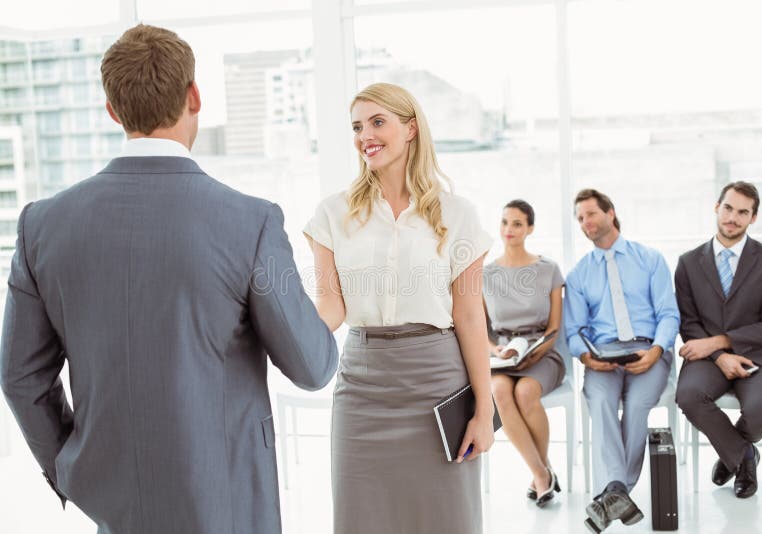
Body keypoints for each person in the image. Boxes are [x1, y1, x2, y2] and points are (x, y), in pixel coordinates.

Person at [0, 25, 338, 534]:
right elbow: (311, 366)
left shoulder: (41, 225)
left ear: (113, 110)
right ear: (194, 96)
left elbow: (20, 376)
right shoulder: (251, 223)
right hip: (226, 505)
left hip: (114, 507)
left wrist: (73, 468)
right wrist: (333, 302)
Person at [303, 82, 494, 534]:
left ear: (411, 129)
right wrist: (285, 330)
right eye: (357, 127)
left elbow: (469, 317)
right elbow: (331, 305)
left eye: (377, 122)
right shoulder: (332, 214)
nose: (364, 136)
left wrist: (484, 412)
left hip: (437, 385)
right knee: (362, 519)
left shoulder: (457, 214)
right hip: (363, 390)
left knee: (447, 520)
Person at [564, 189, 679, 532]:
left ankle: (613, 491)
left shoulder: (650, 259)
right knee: (599, 400)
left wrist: (656, 351)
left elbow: (669, 314)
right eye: (580, 218)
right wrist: (587, 357)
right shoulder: (579, 274)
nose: (585, 222)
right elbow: (574, 330)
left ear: (610, 213)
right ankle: (618, 493)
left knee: (637, 405)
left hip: (647, 350)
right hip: (604, 357)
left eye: (590, 214)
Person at [675, 181, 762, 499]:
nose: (732, 218)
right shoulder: (688, 263)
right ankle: (744, 456)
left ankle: (732, 452)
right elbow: (689, 321)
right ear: (717, 207)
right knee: (688, 395)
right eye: (728, 208)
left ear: (753, 218)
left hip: (761, 354)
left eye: (743, 212)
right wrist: (718, 356)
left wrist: (720, 342)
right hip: (708, 359)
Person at [482, 199, 565, 507]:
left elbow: (554, 328)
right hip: (503, 355)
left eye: (517, 223)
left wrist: (536, 351)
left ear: (530, 228)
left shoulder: (548, 270)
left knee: (526, 392)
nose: (509, 229)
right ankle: (542, 473)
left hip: (541, 353)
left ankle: (540, 475)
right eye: (505, 222)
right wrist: (496, 349)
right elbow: (481, 331)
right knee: (500, 392)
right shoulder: (486, 274)